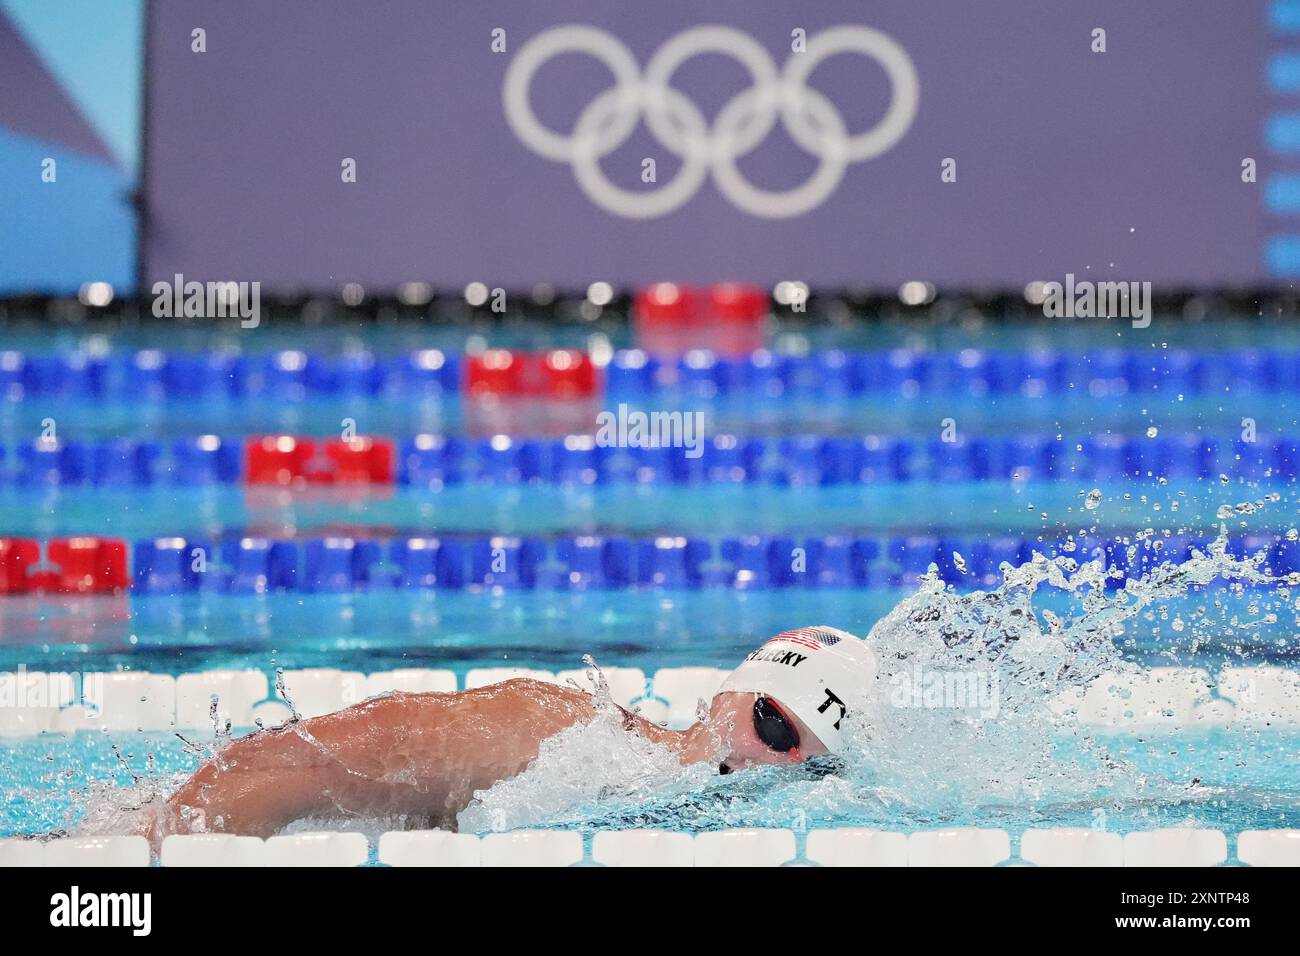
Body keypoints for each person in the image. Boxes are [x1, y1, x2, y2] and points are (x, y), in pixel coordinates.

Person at [137, 626, 878, 849]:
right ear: (728, 696)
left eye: (807, 766)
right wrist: (164, 847)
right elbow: (283, 767)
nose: (770, 761)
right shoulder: (551, 732)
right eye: (774, 723)